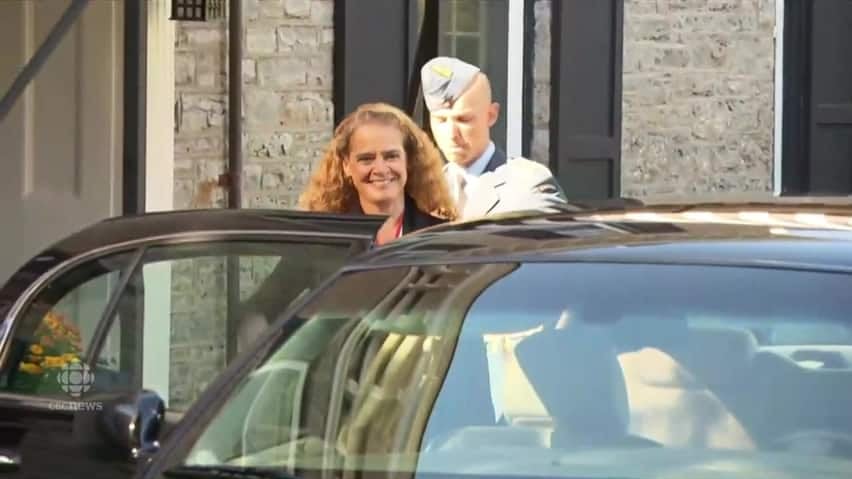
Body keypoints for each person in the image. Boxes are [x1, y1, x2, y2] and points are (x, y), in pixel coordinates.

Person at [421, 56, 568, 219]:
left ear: (491, 115)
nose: (451, 134)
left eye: (464, 120)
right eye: (441, 120)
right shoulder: (428, 190)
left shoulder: (528, 186)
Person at [299, 102, 458, 245]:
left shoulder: (442, 237)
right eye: (366, 159)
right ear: (346, 165)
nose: (380, 169)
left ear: (408, 160)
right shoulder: (324, 239)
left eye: (391, 156)